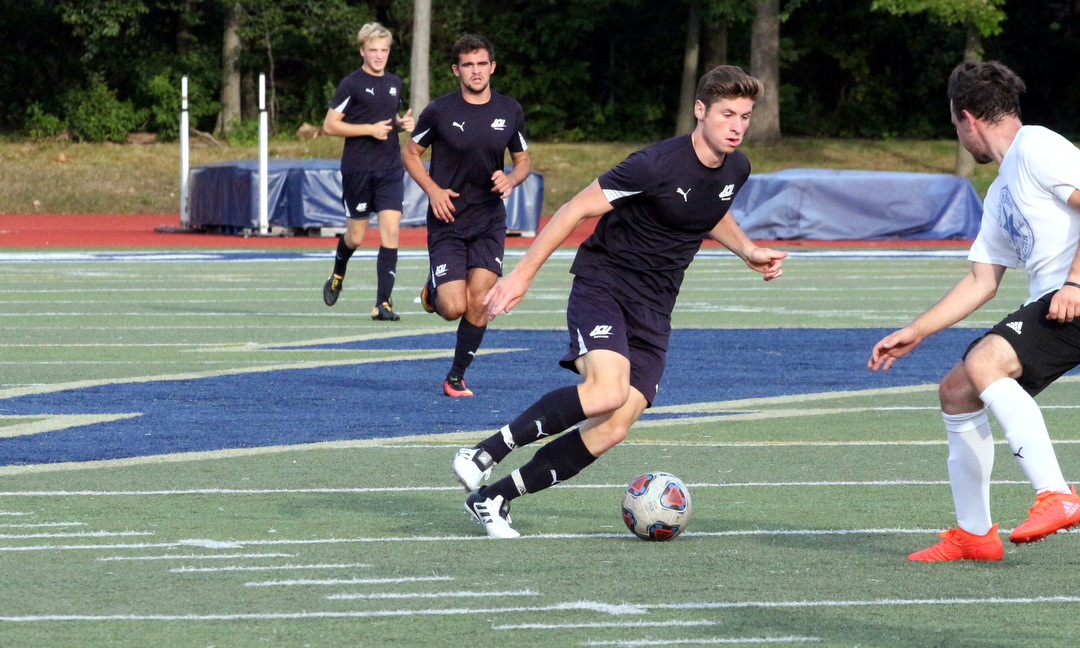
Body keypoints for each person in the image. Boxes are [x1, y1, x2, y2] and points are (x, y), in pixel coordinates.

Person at [451, 65, 787, 538]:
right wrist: (523, 274)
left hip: (655, 308)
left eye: (745, 116)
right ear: (700, 111)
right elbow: (574, 209)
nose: (737, 126)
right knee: (606, 391)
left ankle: (494, 498)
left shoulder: (738, 167)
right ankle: (483, 453)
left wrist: (748, 250)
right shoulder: (654, 164)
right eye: (727, 114)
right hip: (604, 285)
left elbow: (711, 208)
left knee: (615, 424)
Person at [869, 60, 1080, 562]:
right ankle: (974, 534)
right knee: (959, 389)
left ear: (967, 118)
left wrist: (1075, 281)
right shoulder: (1002, 189)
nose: (960, 138)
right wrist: (917, 330)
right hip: (1056, 305)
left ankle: (1057, 495)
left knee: (985, 361)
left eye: (955, 127)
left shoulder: (1039, 146)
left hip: (1071, 297)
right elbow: (982, 281)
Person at [402, 34, 531, 397]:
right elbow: (410, 153)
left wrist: (511, 178)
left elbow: (522, 161)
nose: (476, 71)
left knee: (480, 302)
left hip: (490, 219)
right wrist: (433, 190)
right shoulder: (440, 111)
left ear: (492, 67)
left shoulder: (510, 110)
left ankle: (455, 376)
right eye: (468, 65)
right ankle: (434, 289)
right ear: (456, 70)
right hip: (448, 220)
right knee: (452, 308)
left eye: (482, 64)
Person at [322, 22, 415, 320]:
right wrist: (368, 130)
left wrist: (402, 124)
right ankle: (338, 272)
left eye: (384, 50)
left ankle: (382, 304)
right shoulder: (351, 83)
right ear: (362, 51)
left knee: (391, 231)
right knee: (356, 236)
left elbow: (388, 117)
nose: (379, 56)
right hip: (358, 169)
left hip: (389, 168)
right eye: (373, 50)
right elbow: (330, 125)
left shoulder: (395, 82)